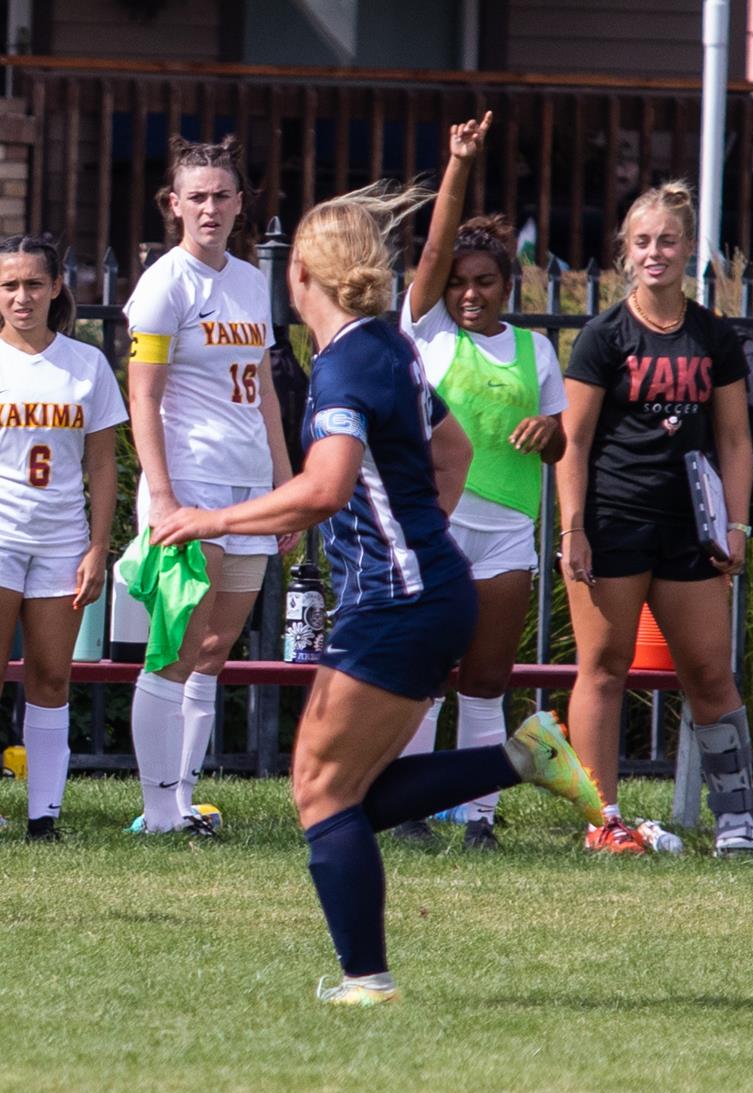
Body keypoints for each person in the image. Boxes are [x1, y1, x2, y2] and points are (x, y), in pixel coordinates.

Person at [153, 183, 606, 1006]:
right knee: (335, 787)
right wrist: (417, 531)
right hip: (424, 592)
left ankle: (367, 979)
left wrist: (207, 516)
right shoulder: (388, 348)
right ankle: (520, 755)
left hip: (398, 603)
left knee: (322, 792)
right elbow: (452, 446)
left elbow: (325, 489)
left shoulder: (348, 364)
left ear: (302, 278)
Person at [558, 180, 753, 857]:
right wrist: (573, 528)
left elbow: (734, 440)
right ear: (625, 253)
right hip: (614, 522)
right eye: (643, 242)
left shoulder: (713, 336)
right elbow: (574, 442)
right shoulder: (603, 336)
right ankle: (603, 820)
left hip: (689, 530)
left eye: (668, 241)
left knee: (708, 670)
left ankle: (736, 820)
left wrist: (734, 526)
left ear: (689, 250)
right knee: (604, 667)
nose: (656, 253)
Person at [391, 113, 568, 851]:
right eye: (459, 283)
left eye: (484, 282)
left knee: (487, 680)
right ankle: (408, 810)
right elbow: (434, 248)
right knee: (426, 674)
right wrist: (459, 164)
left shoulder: (537, 352)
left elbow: (562, 441)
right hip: (439, 528)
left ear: (507, 284)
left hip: (506, 536)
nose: (469, 294)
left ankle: (481, 819)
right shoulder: (427, 333)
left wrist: (549, 434)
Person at [123, 136, 296, 835]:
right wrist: (161, 495)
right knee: (176, 649)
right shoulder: (164, 284)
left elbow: (266, 394)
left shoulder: (253, 281)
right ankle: (157, 810)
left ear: (240, 203)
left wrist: (288, 483)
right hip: (189, 488)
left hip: (250, 489)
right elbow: (142, 397)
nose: (211, 208)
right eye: (196, 196)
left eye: (223, 195)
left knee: (216, 649)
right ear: (173, 205)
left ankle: (186, 798)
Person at [0, 235, 124, 842]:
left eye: (34, 284)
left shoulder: (86, 363)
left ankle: (45, 818)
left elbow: (102, 466)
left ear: (57, 287)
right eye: (10, 285)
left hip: (62, 540)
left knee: (51, 677)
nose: (22, 296)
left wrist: (98, 548)